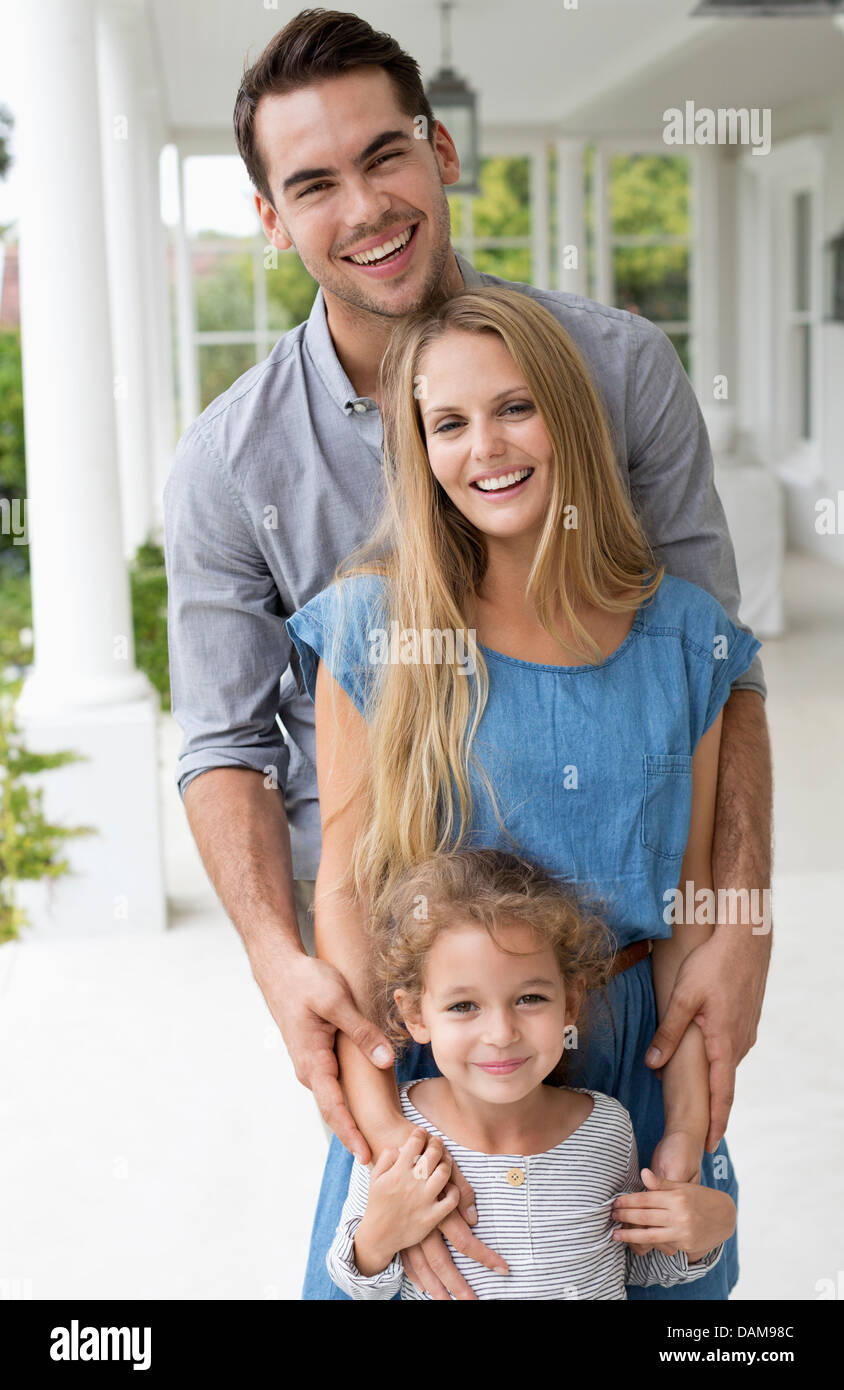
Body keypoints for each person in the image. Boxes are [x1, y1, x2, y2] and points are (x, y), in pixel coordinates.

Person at [162, 9, 772, 1300]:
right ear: (271, 217)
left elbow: (717, 671)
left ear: (442, 151)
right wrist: (293, 978)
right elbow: (225, 749)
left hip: (624, 996)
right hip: (420, 1015)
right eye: (313, 182)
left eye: (387, 154)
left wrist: (739, 921)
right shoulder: (236, 472)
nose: (366, 204)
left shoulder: (620, 367)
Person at [285, 286, 761, 1299]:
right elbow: (343, 898)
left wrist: (683, 1121)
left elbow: (683, 903)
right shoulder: (374, 631)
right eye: (447, 422)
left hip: (635, 1048)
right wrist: (386, 1149)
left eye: (514, 407)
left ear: (568, 417)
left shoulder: (682, 639)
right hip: (439, 1070)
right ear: (419, 449)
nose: (485, 447)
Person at [324, 850, 736, 1300]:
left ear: (571, 1003)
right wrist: (378, 1239)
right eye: (464, 1006)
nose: (501, 1034)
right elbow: (358, 1282)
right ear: (414, 1015)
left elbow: (643, 1262)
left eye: (530, 998)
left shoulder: (607, 1128)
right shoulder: (399, 1138)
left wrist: (708, 1230)